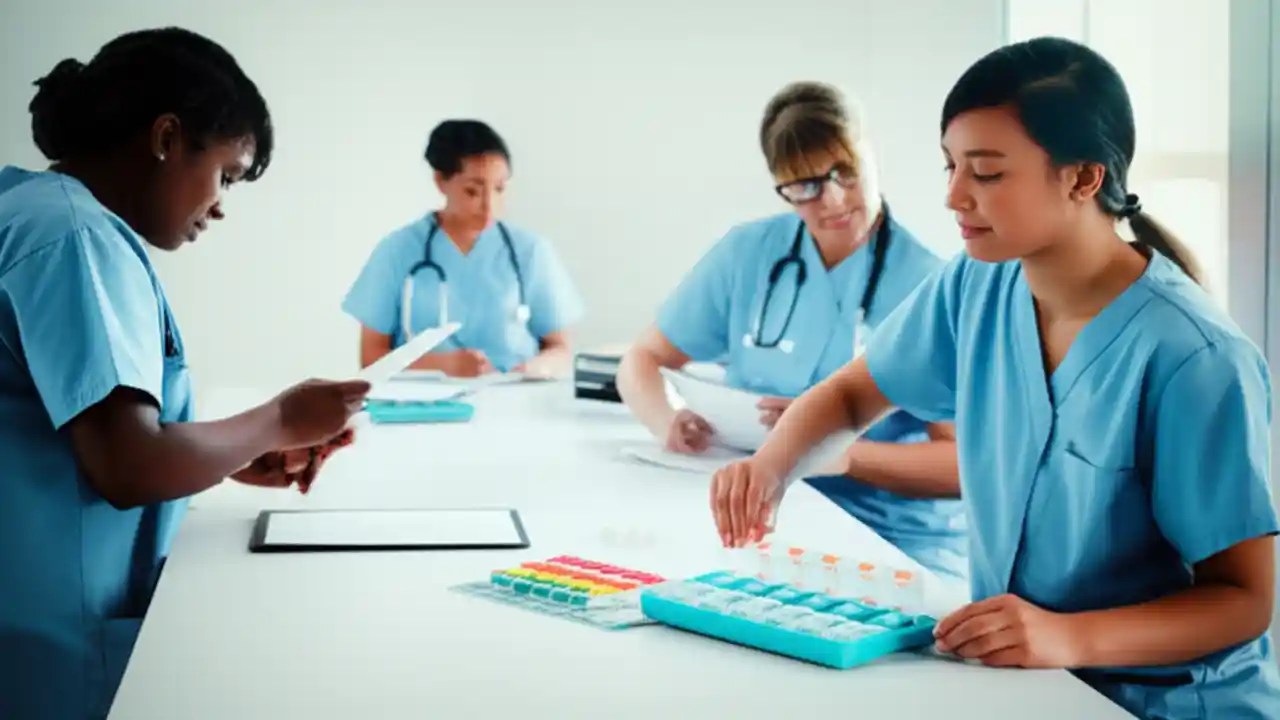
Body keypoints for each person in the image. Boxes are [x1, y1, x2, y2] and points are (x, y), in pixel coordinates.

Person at [711, 37, 1280, 719]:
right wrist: (771, 469)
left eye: (986, 173)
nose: (953, 195)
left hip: (1164, 704)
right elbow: (853, 392)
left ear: (1082, 178)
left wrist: (1066, 636)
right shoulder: (978, 284)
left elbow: (1244, 600)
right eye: (951, 166)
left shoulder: (1196, 357)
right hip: (1023, 684)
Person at [0, 28, 370, 720]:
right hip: (44, 648)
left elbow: (70, 433)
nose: (222, 202)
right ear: (167, 138)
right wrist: (279, 420)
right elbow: (129, 463)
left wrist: (237, 452)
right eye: (226, 174)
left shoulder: (32, 212)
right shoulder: (73, 238)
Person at [618, 82, 967, 579]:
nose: (833, 200)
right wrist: (665, 420)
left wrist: (838, 453)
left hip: (891, 537)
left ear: (872, 153)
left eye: (845, 172)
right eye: (804, 185)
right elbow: (643, 357)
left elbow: (964, 467)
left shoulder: (930, 283)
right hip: (770, 517)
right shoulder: (749, 253)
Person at [342, 120, 584, 379]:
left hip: (516, 399)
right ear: (441, 181)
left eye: (499, 188)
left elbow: (560, 349)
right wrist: (444, 365)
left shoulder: (531, 251)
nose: (489, 205)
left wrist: (536, 368)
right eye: (473, 191)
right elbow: (371, 359)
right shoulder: (398, 250)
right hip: (423, 407)